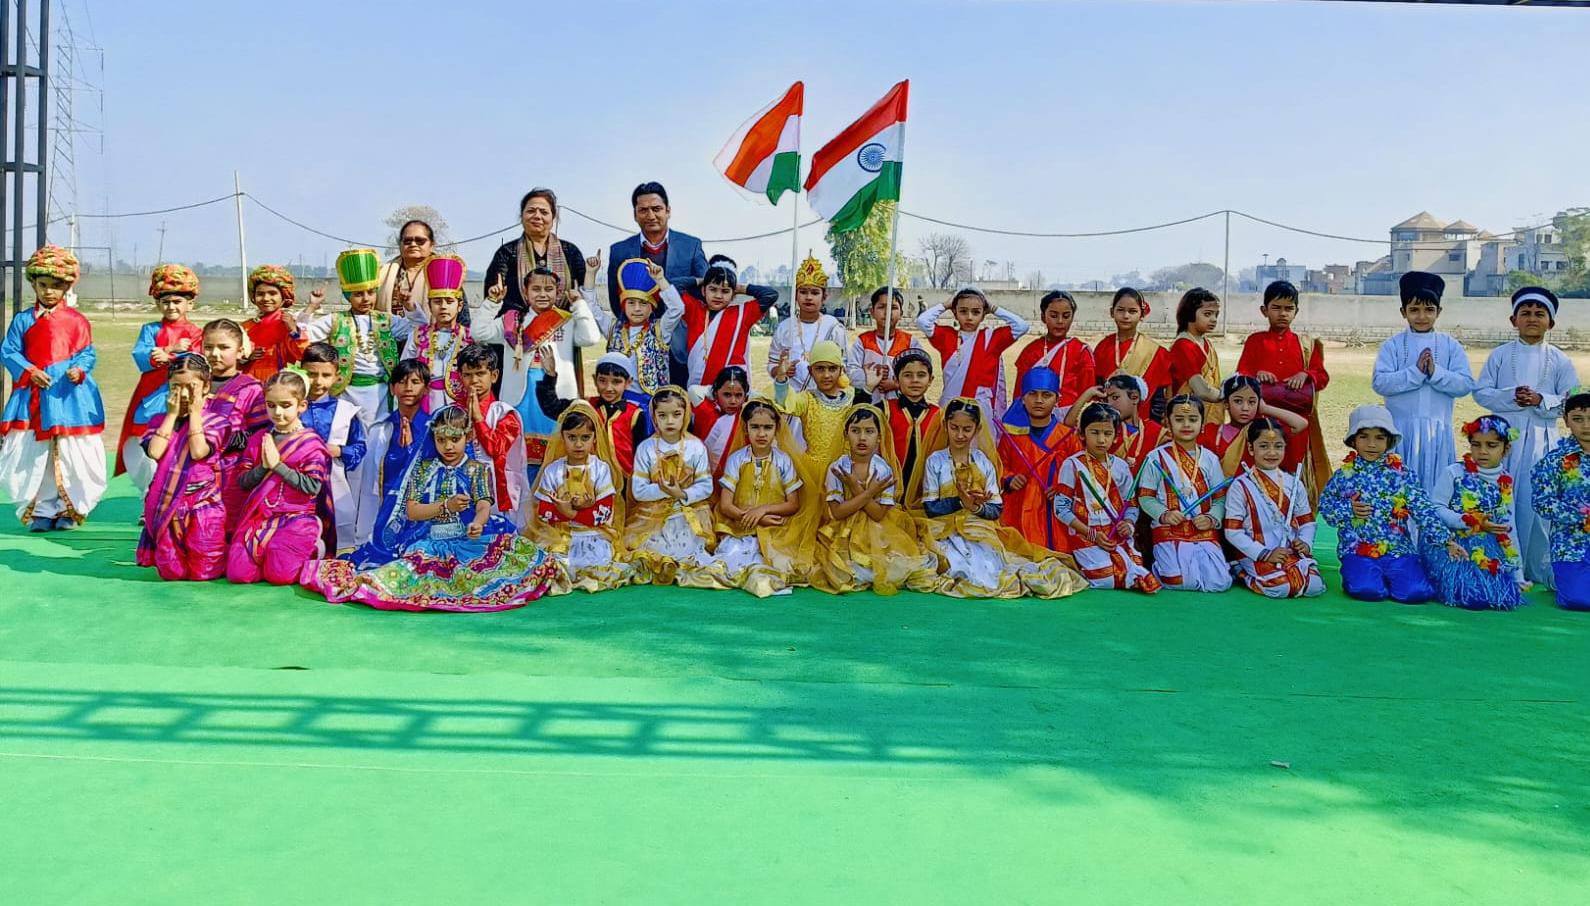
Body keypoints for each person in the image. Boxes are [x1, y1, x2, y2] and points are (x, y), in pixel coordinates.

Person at [298, 405, 557, 612]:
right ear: (433, 438)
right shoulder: (423, 470)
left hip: (469, 540)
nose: (448, 446)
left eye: (455, 439)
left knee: (524, 561)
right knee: (394, 581)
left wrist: (478, 522)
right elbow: (411, 511)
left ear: (466, 437)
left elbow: (484, 503)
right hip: (428, 540)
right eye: (442, 439)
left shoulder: (477, 469)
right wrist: (445, 506)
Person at [910, 398, 1087, 599]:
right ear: (945, 427)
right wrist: (960, 502)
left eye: (967, 429)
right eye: (954, 428)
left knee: (989, 567)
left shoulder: (983, 462)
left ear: (977, 430)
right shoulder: (936, 461)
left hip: (979, 529)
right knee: (955, 565)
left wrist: (976, 508)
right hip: (942, 531)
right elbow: (931, 508)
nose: (960, 435)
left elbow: (995, 509)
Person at [1474, 285, 1580, 588]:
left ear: (1551, 322)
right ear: (1513, 320)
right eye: (1526, 313)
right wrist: (1511, 397)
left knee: (1537, 501)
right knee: (1502, 499)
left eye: (1539, 313)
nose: (1532, 318)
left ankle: (1539, 567)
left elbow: (1571, 400)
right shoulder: (1500, 355)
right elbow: (1481, 392)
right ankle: (1503, 565)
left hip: (1543, 439)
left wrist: (1541, 400)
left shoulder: (1559, 359)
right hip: (1504, 441)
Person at [0, 245, 106, 530]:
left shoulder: (76, 321)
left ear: (67, 286)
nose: (49, 292)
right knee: (36, 451)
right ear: (33, 283)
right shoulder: (22, 320)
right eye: (43, 285)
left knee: (72, 450)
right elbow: (9, 351)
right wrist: (30, 371)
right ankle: (42, 510)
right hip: (33, 393)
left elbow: (87, 352)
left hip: (69, 396)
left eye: (56, 286)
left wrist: (79, 369)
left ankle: (69, 508)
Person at [1319, 404, 1462, 604]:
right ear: (1353, 440)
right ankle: (1366, 576)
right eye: (1364, 437)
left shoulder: (1402, 474)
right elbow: (1325, 508)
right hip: (1358, 549)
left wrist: (1446, 540)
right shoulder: (1344, 475)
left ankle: (1395, 574)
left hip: (1398, 549)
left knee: (1416, 593)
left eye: (1379, 438)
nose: (1371, 444)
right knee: (1368, 590)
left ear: (1389, 441)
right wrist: (1348, 509)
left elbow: (1422, 509)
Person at [813, 404, 939, 595]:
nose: (862, 438)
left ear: (879, 437)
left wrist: (857, 490)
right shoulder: (838, 468)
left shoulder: (882, 469)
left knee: (891, 567)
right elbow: (837, 513)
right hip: (843, 529)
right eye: (855, 431)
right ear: (846, 434)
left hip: (879, 529)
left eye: (869, 431)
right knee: (838, 571)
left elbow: (879, 514)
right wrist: (865, 492)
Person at [1371, 271, 1476, 500]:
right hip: (1401, 431)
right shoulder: (1393, 346)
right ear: (1403, 312)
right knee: (1400, 496)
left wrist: (1435, 372)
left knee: (1436, 494)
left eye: (1429, 310)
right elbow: (1380, 383)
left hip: (1437, 432)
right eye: (1414, 310)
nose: (1422, 316)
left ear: (1438, 312)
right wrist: (1415, 372)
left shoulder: (1450, 346)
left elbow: (1465, 384)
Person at [225, 369, 332, 585]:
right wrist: (264, 467)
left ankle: (313, 546)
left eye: (285, 405)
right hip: (260, 518)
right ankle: (271, 554)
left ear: (301, 405)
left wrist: (277, 466)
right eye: (271, 405)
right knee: (239, 574)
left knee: (280, 576)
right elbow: (243, 481)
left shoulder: (310, 443)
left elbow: (312, 487)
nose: (278, 412)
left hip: (297, 519)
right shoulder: (259, 439)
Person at [710, 399, 821, 596]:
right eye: (755, 427)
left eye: (767, 427)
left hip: (776, 527)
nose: (761, 434)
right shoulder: (737, 459)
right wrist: (757, 518)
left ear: (777, 428)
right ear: (746, 428)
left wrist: (763, 510)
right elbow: (726, 505)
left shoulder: (783, 460)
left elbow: (793, 504)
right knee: (729, 563)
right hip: (740, 526)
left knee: (785, 564)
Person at [1235, 280, 1330, 504]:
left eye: (1288, 309)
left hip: (1297, 425)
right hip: (1263, 420)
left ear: (1296, 311)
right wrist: (1257, 374)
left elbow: (1322, 376)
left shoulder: (1307, 344)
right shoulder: (1255, 341)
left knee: (1295, 473)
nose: (1282, 314)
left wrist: (1307, 374)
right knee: (1262, 468)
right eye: (1276, 308)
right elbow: (1242, 373)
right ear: (1264, 310)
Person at [135, 353, 228, 581]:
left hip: (203, 503)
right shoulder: (159, 421)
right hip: (168, 505)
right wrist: (172, 415)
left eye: (191, 386)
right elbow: (155, 452)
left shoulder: (217, 420)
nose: (184, 393)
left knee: (202, 572)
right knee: (171, 572)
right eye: (176, 386)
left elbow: (198, 452)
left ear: (206, 386)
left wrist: (195, 413)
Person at [606, 182, 709, 387]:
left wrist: (678, 284)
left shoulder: (691, 245)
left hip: (680, 340)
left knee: (679, 400)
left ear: (668, 211)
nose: (651, 215)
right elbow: (615, 300)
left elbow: (705, 287)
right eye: (643, 210)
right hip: (638, 344)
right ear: (635, 214)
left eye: (656, 209)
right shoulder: (620, 250)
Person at [528, 401, 637, 593]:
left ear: (595, 438)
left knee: (599, 563)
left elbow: (605, 512)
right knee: (546, 563)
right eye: (572, 437)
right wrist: (568, 512)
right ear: (562, 437)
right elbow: (544, 512)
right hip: (560, 534)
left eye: (585, 437)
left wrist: (569, 512)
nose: (578, 444)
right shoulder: (553, 470)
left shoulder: (600, 469)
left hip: (593, 534)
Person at [301, 248, 414, 429]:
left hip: (382, 392)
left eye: (370, 292)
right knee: (346, 435)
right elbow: (302, 336)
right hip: (347, 391)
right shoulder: (336, 320)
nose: (365, 299)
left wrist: (410, 307)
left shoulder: (386, 320)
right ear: (348, 296)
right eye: (358, 294)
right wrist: (311, 308)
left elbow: (419, 331)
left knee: (379, 439)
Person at [1055, 402, 1160, 593]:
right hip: (1085, 535)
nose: (1101, 439)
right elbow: (1061, 509)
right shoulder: (1072, 465)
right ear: (1081, 434)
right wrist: (1092, 534)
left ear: (1115, 436)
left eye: (1107, 433)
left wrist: (1128, 523)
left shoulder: (1120, 467)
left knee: (1134, 566)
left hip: (1117, 535)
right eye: (1094, 432)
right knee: (1104, 579)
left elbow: (1132, 504)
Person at [117, 264, 205, 490]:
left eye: (177, 301)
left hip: (183, 393)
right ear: (158, 303)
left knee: (177, 438)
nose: (171, 306)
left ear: (190, 304)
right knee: (143, 438)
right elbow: (141, 355)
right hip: (151, 393)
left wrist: (166, 354)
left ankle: (174, 490)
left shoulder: (196, 333)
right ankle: (148, 493)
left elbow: (198, 363)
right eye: (166, 301)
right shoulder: (150, 329)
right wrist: (170, 350)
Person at [1428, 415, 1525, 611]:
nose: (1482, 451)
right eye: (1476, 444)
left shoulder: (1504, 481)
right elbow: (1435, 508)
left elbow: (1508, 526)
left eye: (1491, 445)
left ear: (1506, 449)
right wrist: (1468, 521)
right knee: (1471, 596)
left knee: (1503, 597)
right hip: (1452, 542)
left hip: (1486, 545)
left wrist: (1518, 574)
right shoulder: (1454, 472)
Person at [1137, 396, 1232, 592]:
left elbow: (1220, 498)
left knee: (1219, 583)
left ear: (1202, 423)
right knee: (1178, 582)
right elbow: (1145, 497)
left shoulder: (1210, 459)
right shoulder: (1155, 457)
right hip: (1169, 531)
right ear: (1168, 422)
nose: (1186, 424)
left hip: (1203, 531)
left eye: (1193, 419)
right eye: (1179, 419)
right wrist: (1164, 514)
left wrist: (1212, 518)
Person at [624, 386, 717, 585]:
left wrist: (682, 494)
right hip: (652, 514)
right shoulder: (646, 448)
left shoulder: (696, 447)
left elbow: (706, 486)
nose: (670, 421)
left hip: (688, 511)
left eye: (676, 414)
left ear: (686, 414)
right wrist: (663, 490)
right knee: (643, 552)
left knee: (693, 552)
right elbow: (638, 490)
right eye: (662, 415)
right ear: (654, 417)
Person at [1223, 418, 1325, 599]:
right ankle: (1243, 573)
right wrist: (1265, 554)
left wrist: (1305, 543)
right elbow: (1233, 531)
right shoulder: (1241, 486)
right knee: (1281, 588)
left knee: (1314, 586)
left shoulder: (1294, 483)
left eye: (1278, 446)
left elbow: (1307, 522)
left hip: (1288, 552)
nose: (1272, 452)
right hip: (1256, 553)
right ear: (1251, 449)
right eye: (1263, 446)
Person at [349, 359, 431, 562]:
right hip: (383, 506)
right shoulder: (380, 428)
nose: (408, 388)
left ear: (426, 389)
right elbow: (370, 480)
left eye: (415, 382)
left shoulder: (433, 428)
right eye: (402, 382)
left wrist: (411, 450)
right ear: (392, 389)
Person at [493, 260, 603, 409]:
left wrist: (578, 304)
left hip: (557, 392)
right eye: (536, 289)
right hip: (519, 394)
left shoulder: (566, 321)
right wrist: (493, 302)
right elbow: (479, 332)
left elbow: (592, 338)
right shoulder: (512, 320)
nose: (543, 294)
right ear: (526, 292)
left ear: (557, 292)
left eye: (549, 289)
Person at [401, 254, 503, 411]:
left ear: (460, 305)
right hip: (423, 404)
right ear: (429, 305)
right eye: (437, 301)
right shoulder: (418, 336)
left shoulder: (470, 337)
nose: (443, 307)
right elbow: (404, 371)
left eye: (449, 302)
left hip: (461, 405)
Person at [996, 369, 1081, 554]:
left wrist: (1063, 489)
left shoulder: (1067, 437)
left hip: (1055, 514)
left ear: (1057, 399)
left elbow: (1081, 475)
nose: (1039, 400)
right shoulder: (1011, 434)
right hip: (1018, 510)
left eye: (1047, 395)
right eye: (1032, 394)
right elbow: (999, 467)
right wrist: (1009, 479)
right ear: (1023, 398)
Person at [199, 318, 269, 538]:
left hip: (233, 472)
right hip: (195, 471)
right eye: (208, 347)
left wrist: (227, 441)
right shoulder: (193, 382)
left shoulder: (251, 388)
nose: (214, 354)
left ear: (240, 352)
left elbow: (261, 434)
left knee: (229, 529)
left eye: (223, 347)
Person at [483, 187, 589, 331]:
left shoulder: (570, 252)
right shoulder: (507, 252)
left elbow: (586, 293)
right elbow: (494, 297)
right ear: (522, 216)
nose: (537, 216)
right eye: (531, 211)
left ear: (553, 218)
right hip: (517, 335)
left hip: (563, 334)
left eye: (544, 212)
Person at [673, 254, 779, 394]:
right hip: (699, 390)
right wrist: (702, 280)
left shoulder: (743, 313)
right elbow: (672, 287)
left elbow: (771, 294)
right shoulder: (694, 310)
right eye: (713, 289)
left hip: (732, 389)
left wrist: (741, 287)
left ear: (733, 294)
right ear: (704, 291)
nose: (718, 295)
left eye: (725, 291)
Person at [916, 287, 1029, 416]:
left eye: (976, 312)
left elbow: (1022, 326)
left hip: (980, 408)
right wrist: (946, 304)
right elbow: (922, 321)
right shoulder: (946, 336)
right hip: (951, 406)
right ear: (955, 313)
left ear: (983, 314)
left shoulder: (991, 338)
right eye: (963, 311)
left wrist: (992, 307)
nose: (969, 317)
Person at [300, 342, 368, 552]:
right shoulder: (289, 406)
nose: (318, 381)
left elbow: (360, 447)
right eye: (311, 374)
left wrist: (339, 451)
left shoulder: (345, 411)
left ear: (337, 375)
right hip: (296, 480)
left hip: (332, 481)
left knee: (335, 530)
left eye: (325, 375)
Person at [538, 351, 650, 477]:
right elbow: (551, 407)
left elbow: (641, 453)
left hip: (625, 482)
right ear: (594, 380)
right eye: (603, 381)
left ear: (628, 382)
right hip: (589, 478)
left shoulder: (635, 415)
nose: (608, 388)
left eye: (616, 382)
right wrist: (550, 375)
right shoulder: (585, 406)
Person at [1530, 388, 1590, 609]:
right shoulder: (1554, 461)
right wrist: (1581, 515)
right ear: (1565, 421)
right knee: (1580, 600)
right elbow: (1542, 502)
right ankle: (1553, 577)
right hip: (1571, 544)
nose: (1586, 426)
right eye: (1578, 419)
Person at [457, 343, 526, 526]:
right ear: (460, 377)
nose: (474, 381)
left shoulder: (505, 414)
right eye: (468, 375)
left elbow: (496, 449)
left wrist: (478, 419)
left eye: (480, 374)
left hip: (496, 492)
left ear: (493, 376)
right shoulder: (453, 412)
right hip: (459, 490)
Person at [596, 258, 684, 397]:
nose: (637, 309)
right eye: (631, 303)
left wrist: (660, 279)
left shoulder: (660, 329)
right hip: (617, 399)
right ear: (623, 306)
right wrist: (590, 274)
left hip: (651, 401)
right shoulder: (614, 328)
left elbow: (677, 308)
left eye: (643, 303)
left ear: (651, 308)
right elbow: (594, 311)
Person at [776, 339, 866, 471]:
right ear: (810, 371)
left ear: (841, 370)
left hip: (847, 470)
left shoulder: (852, 396)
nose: (826, 375)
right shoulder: (807, 399)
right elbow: (785, 403)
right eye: (820, 369)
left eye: (832, 368)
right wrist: (781, 377)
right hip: (814, 473)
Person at [1198, 375, 1307, 478]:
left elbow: (1300, 424)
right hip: (1219, 494)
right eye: (1238, 401)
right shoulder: (1212, 432)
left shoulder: (1263, 431)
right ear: (1226, 404)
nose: (1245, 408)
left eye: (1251, 402)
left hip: (1254, 494)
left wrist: (1265, 409)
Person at [768, 253, 846, 394]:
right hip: (792, 400)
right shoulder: (785, 327)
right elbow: (772, 365)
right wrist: (780, 370)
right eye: (803, 292)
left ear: (824, 297)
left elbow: (844, 365)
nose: (809, 297)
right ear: (796, 296)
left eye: (815, 293)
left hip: (825, 399)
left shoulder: (833, 327)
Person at [1012, 290, 1095, 419]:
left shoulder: (1081, 351)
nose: (1060, 321)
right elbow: (1019, 394)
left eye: (1066, 316)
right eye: (1054, 315)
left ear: (1072, 318)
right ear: (1043, 317)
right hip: (1033, 420)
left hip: (1070, 421)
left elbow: (1088, 396)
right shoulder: (1030, 351)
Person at [1093, 287, 1170, 423]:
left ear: (1142, 314)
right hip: (1107, 423)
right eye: (1121, 310)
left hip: (1142, 424)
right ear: (1112, 312)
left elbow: (1159, 400)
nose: (1126, 316)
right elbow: (1097, 388)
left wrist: (1153, 427)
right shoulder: (1103, 347)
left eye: (1132, 311)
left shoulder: (1156, 352)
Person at [1067, 375, 1163, 474]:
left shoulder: (1157, 432)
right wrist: (1089, 393)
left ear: (1134, 397)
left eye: (1115, 397)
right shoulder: (1103, 425)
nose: (1110, 404)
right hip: (1105, 485)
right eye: (1106, 399)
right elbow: (1069, 423)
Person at [846, 287, 921, 403]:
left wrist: (896, 384)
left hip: (901, 406)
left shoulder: (911, 342)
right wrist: (871, 377)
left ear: (901, 313)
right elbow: (851, 371)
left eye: (894, 307)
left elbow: (920, 374)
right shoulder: (863, 341)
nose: (887, 312)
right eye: (881, 307)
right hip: (870, 404)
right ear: (872, 312)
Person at [885, 349, 941, 505]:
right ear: (896, 380)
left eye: (921, 375)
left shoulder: (938, 415)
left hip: (926, 491)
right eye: (908, 375)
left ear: (931, 380)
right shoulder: (885, 410)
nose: (915, 380)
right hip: (889, 490)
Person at [1166, 288, 1226, 425]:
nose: (1213, 319)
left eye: (1216, 315)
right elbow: (1201, 390)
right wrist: (1229, 395)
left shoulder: (1207, 343)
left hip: (1211, 417)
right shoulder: (1183, 346)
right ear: (1190, 314)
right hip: (1188, 418)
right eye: (1207, 314)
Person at [239, 265, 306, 382]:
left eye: (272, 293)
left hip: (278, 383)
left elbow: (302, 355)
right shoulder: (245, 327)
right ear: (253, 297)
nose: (266, 298)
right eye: (260, 294)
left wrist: (293, 331)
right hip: (247, 384)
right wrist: (247, 359)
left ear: (284, 297)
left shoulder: (289, 325)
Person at [692, 365, 749, 476]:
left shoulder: (747, 417)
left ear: (745, 397)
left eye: (739, 395)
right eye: (727, 394)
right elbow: (693, 390)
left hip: (734, 479)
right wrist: (711, 390)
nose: (733, 401)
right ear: (715, 393)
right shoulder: (705, 411)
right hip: (703, 479)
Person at [376, 219, 436, 318]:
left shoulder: (444, 273)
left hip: (431, 332)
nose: (413, 244)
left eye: (420, 241)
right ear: (400, 245)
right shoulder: (383, 273)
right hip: (388, 332)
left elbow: (460, 315)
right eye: (407, 241)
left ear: (431, 245)